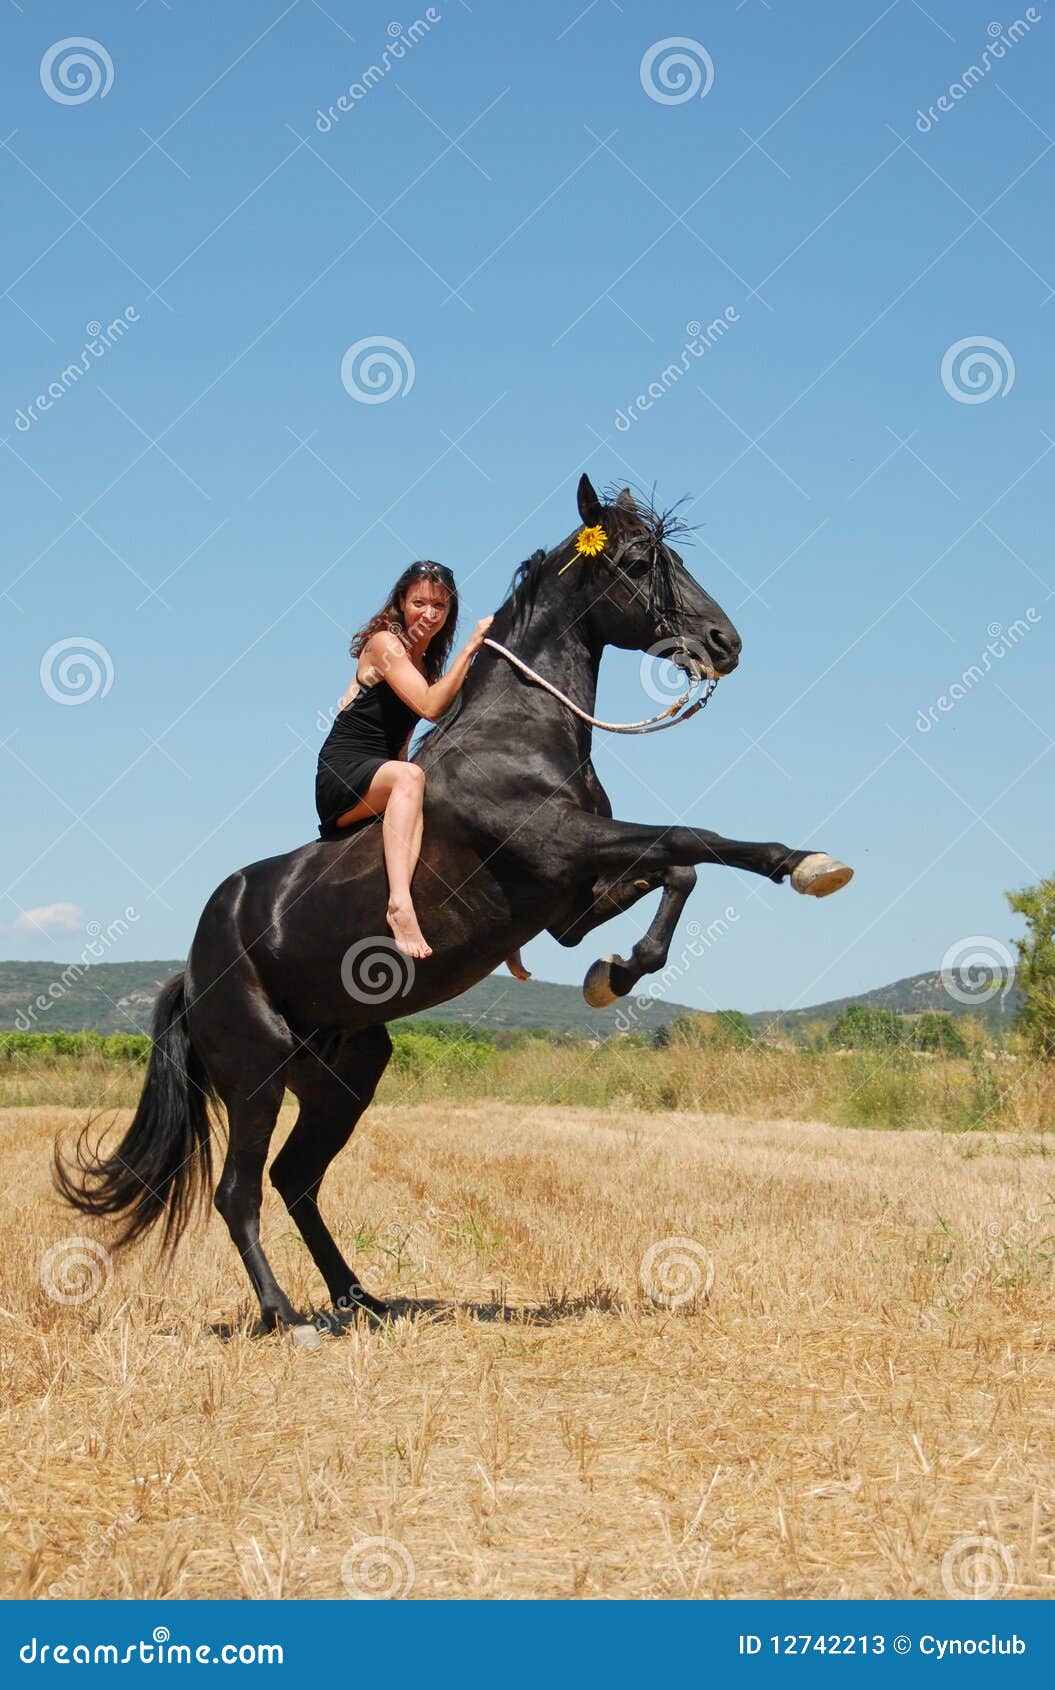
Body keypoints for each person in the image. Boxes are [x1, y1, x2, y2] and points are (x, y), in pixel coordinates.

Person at [315, 561, 531, 979]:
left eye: (439, 605)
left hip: (385, 769)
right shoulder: (385, 644)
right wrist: (471, 647)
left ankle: (509, 931)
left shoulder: (427, 665)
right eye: (419, 602)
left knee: (455, 804)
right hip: (345, 769)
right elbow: (431, 707)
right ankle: (399, 905)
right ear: (400, 602)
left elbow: (404, 737)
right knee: (411, 777)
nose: (428, 614)